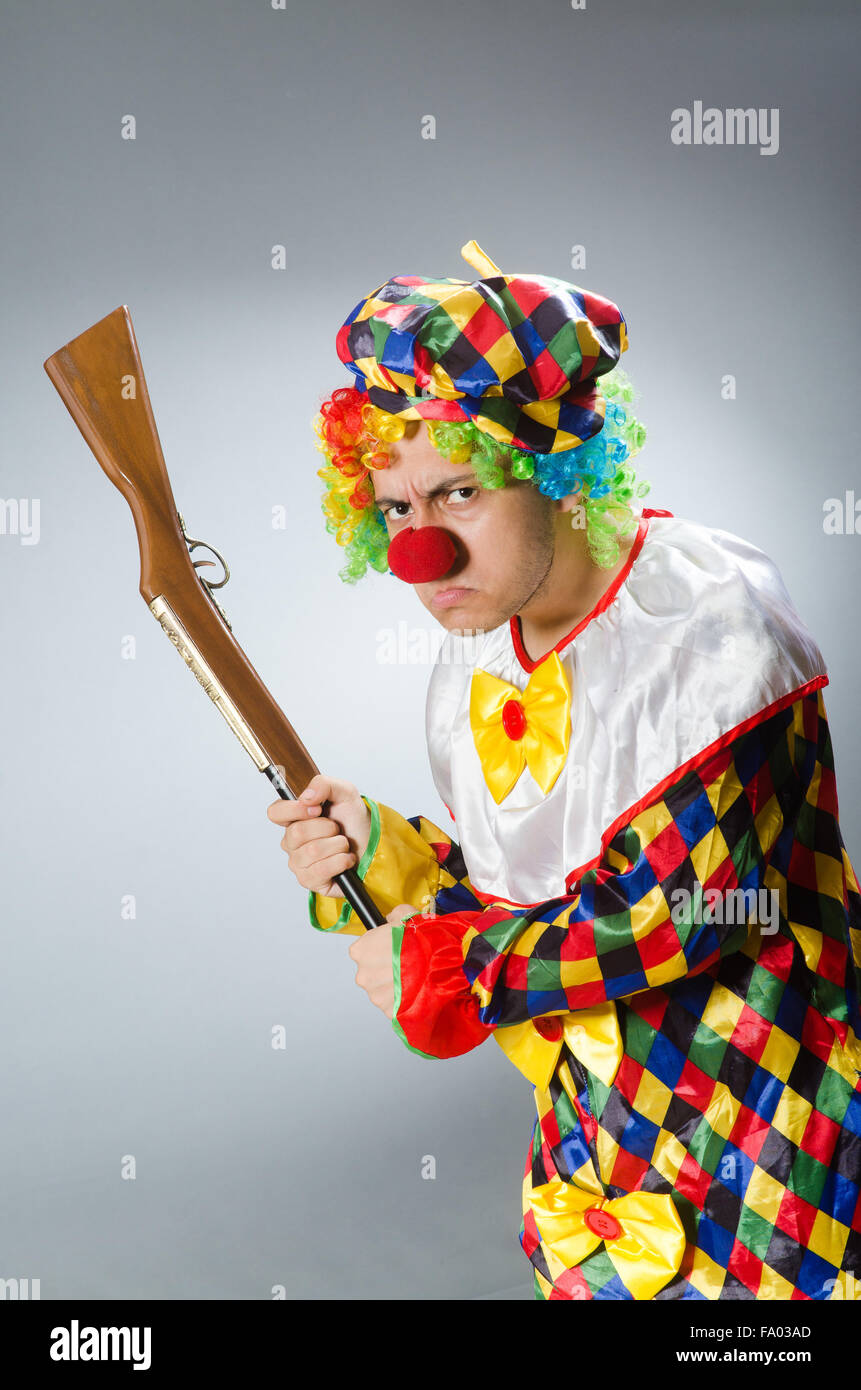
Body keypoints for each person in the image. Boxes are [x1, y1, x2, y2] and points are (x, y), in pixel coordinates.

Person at [267, 241, 861, 1300]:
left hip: (774, 1163)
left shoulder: (713, 630)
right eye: (396, 509)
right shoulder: (484, 646)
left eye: (456, 493)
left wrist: (456, 970)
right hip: (598, 1168)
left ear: (556, 471)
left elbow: (690, 914)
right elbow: (541, 887)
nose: (418, 552)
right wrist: (392, 858)